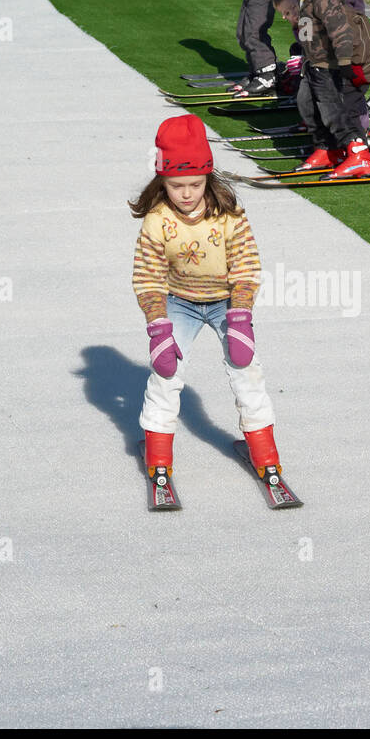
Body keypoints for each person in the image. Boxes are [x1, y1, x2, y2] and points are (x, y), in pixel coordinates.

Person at [131, 114, 286, 499]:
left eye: (195, 185)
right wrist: (158, 326)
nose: (186, 194)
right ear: (161, 180)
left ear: (208, 178)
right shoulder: (156, 220)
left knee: (246, 367)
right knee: (165, 372)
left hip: (226, 302)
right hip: (178, 303)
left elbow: (247, 265)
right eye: (176, 185)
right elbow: (148, 277)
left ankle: (265, 453)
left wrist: (241, 315)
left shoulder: (228, 215)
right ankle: (158, 455)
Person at [278, 0, 370, 180]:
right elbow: (307, 35)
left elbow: (340, 30)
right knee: (306, 103)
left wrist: (345, 61)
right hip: (313, 65)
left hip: (330, 66)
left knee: (333, 111)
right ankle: (328, 148)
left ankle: (359, 155)